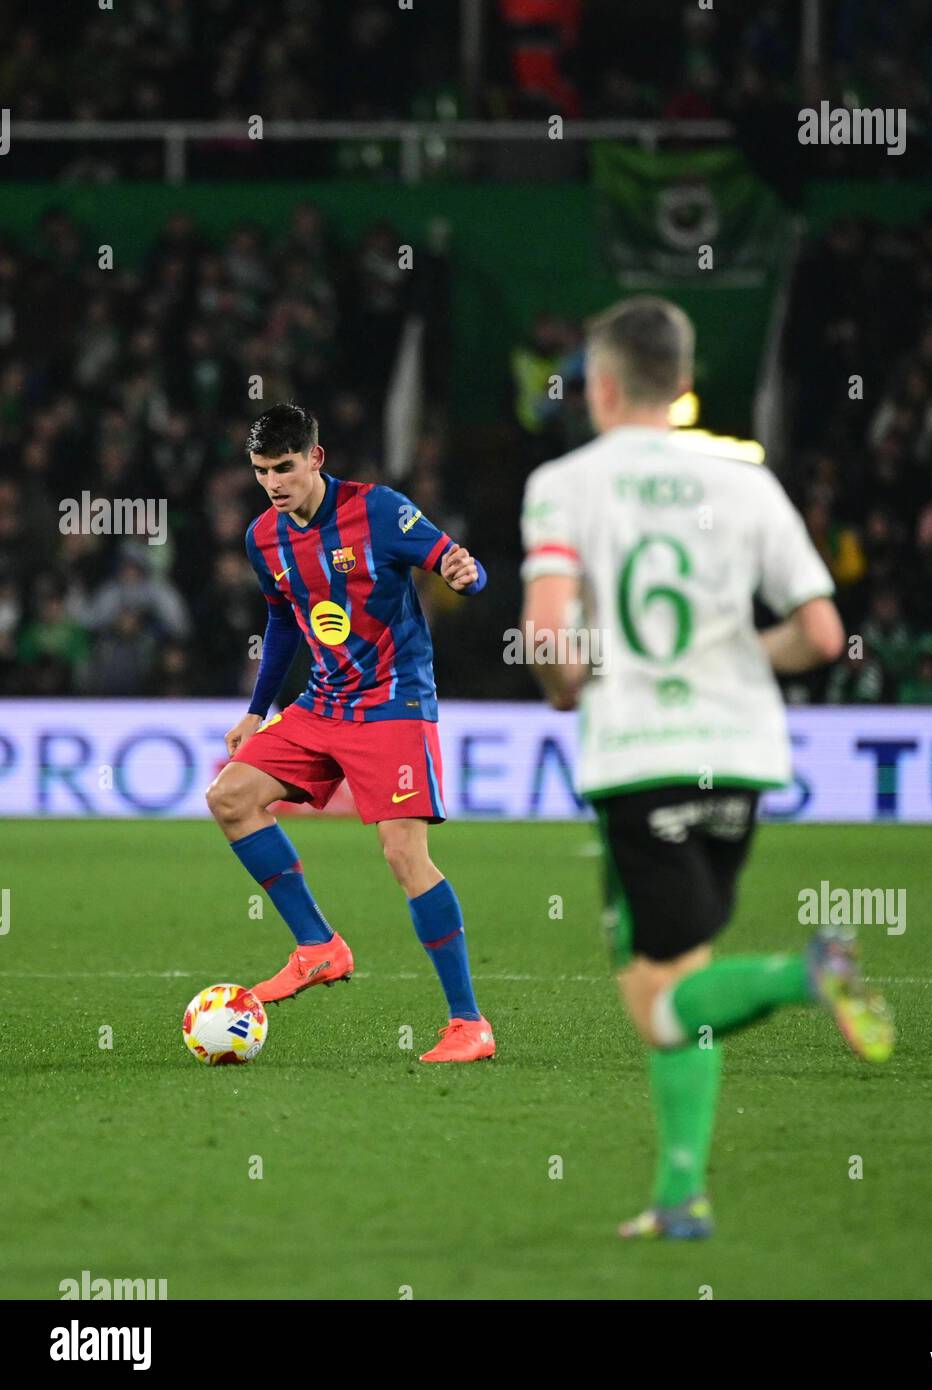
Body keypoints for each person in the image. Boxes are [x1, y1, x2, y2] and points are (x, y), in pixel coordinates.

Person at [519, 296, 894, 1238]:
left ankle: (803, 972)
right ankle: (679, 1197)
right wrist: (724, 661)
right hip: (743, 759)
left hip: (640, 759)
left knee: (657, 1003)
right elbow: (820, 634)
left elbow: (546, 635)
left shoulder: (566, 483)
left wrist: (572, 684)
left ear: (601, 387)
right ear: (683, 387)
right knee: (681, 978)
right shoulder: (745, 479)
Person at [205, 403, 495, 1063]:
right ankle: (318, 947)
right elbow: (282, 620)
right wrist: (258, 710)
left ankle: (468, 1024)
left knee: (402, 856)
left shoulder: (380, 511)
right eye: (260, 471)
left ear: (316, 458)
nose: (273, 483)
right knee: (230, 798)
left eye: (284, 467)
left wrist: (464, 575)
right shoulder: (263, 537)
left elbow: (457, 562)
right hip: (322, 704)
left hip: (393, 704)